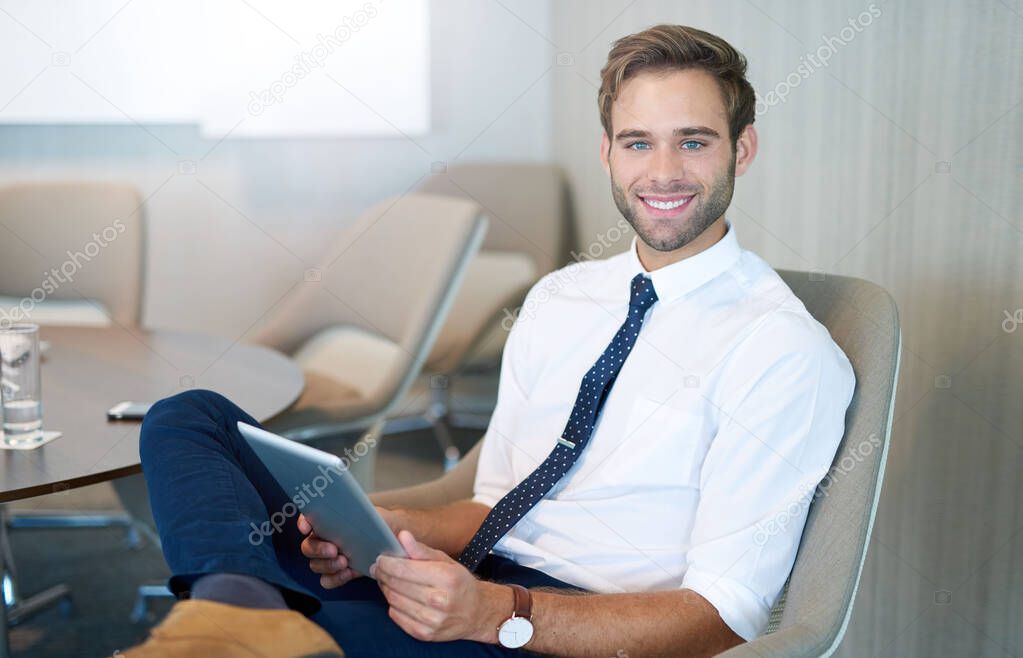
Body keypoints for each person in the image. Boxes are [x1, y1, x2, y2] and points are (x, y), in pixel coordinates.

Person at [125, 23, 855, 658]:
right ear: (607, 153)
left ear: (743, 148)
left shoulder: (781, 350)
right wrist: (390, 528)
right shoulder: (560, 298)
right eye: (639, 142)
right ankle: (241, 609)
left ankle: (237, 618)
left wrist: (495, 616)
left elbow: (721, 622)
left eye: (692, 142)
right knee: (191, 416)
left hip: (557, 634)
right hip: (454, 586)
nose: (662, 172)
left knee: (260, 631)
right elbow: (498, 503)